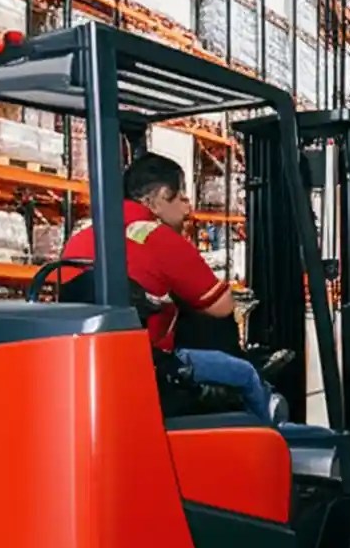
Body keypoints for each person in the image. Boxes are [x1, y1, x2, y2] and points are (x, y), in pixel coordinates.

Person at [61, 152, 276, 423]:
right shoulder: (157, 237)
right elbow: (222, 307)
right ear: (161, 197)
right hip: (151, 368)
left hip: (89, 368)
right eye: (181, 196)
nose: (187, 209)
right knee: (246, 374)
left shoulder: (82, 237)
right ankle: (270, 437)